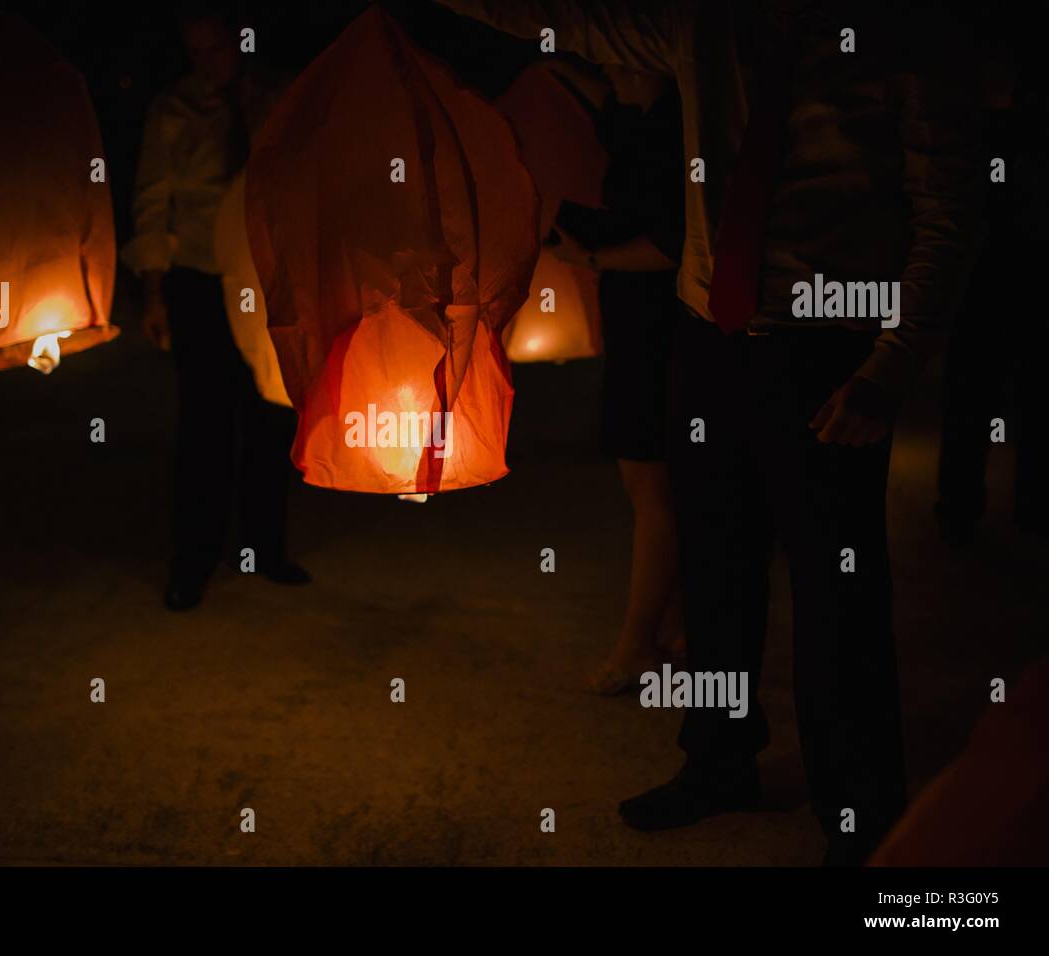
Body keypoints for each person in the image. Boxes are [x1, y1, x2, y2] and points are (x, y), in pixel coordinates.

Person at [438, 0, 983, 865]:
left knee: (838, 588)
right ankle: (719, 759)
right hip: (710, 339)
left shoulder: (901, 40)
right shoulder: (707, 26)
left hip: (829, 348)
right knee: (716, 566)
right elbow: (565, 21)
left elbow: (947, 216)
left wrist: (888, 370)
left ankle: (861, 804)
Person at [125, 4, 310, 611]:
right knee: (205, 422)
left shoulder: (280, 97)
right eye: (195, 50)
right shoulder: (174, 111)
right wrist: (153, 291)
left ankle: (265, 547)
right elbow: (154, 202)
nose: (207, 61)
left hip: (265, 277)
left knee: (269, 412)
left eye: (217, 46)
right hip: (200, 277)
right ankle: (193, 561)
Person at [547, 64, 686, 694]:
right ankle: (678, 629)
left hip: (660, 320)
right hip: (639, 316)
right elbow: (577, 77)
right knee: (658, 484)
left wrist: (592, 256)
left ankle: (638, 647)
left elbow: (675, 241)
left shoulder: (670, 125)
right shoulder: (629, 110)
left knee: (651, 484)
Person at [935, 39, 1048, 545]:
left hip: (987, 280)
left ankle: (964, 507)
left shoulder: (978, 133)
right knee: (986, 395)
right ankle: (1005, 506)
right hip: (999, 280)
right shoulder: (997, 135)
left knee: (975, 396)